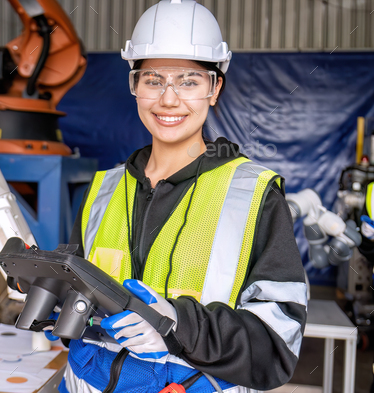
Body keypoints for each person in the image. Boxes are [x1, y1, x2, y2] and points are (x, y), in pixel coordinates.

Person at [58, 1, 308, 392]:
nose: (168, 99)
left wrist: (176, 323)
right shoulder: (104, 188)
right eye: (153, 80)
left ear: (215, 88)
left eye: (189, 81)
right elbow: (76, 295)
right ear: (134, 86)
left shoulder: (254, 194)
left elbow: (277, 346)